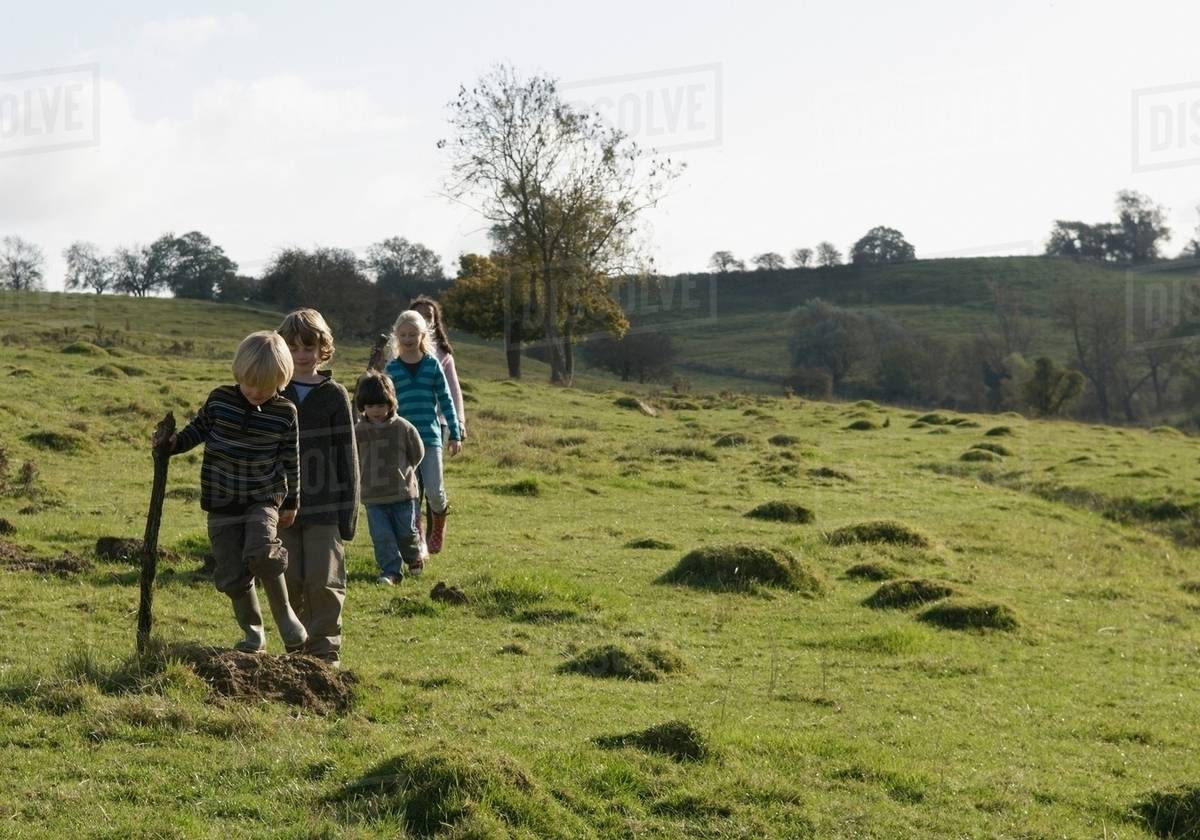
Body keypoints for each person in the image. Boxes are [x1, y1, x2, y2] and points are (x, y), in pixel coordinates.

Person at [162, 331, 306, 653]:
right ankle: (254, 632)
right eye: (250, 383)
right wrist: (172, 446)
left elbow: (291, 459)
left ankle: (286, 619)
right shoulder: (220, 400)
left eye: (265, 386)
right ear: (238, 374)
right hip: (221, 500)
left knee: (262, 551)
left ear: (281, 381)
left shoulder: (285, 413)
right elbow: (197, 430)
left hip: (262, 497)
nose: (256, 392)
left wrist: (292, 501)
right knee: (230, 571)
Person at [277, 309, 359, 668]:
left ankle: (325, 656)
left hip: (326, 508)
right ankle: (296, 653)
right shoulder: (273, 394)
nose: (301, 354)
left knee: (325, 583)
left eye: (309, 346)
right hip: (281, 509)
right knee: (290, 580)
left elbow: (349, 457)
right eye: (293, 347)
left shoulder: (335, 395)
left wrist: (349, 515)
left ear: (323, 348)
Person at [384, 310, 462, 565]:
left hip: (430, 438)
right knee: (411, 495)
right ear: (396, 336)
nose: (408, 339)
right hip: (403, 442)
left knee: (435, 492)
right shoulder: (392, 368)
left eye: (413, 334)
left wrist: (455, 433)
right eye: (403, 334)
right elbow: (384, 404)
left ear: (422, 335)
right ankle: (418, 542)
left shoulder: (432, 365)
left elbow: (446, 400)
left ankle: (438, 527)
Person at [408, 296, 467, 554]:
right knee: (412, 484)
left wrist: (459, 425)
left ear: (435, 321)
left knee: (432, 482)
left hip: (437, 424)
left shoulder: (442, 356)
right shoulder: (400, 350)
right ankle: (417, 536)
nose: (425, 320)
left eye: (429, 316)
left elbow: (453, 392)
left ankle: (435, 533)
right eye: (419, 315)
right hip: (406, 424)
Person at [354, 371, 425, 583]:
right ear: (362, 407)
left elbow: (417, 454)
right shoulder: (358, 431)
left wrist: (405, 474)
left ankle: (413, 557)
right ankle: (391, 571)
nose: (376, 411)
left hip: (403, 494)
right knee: (382, 537)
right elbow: (353, 459)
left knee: (407, 533)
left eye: (381, 405)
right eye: (370, 406)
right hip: (373, 497)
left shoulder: (403, 428)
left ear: (391, 403)